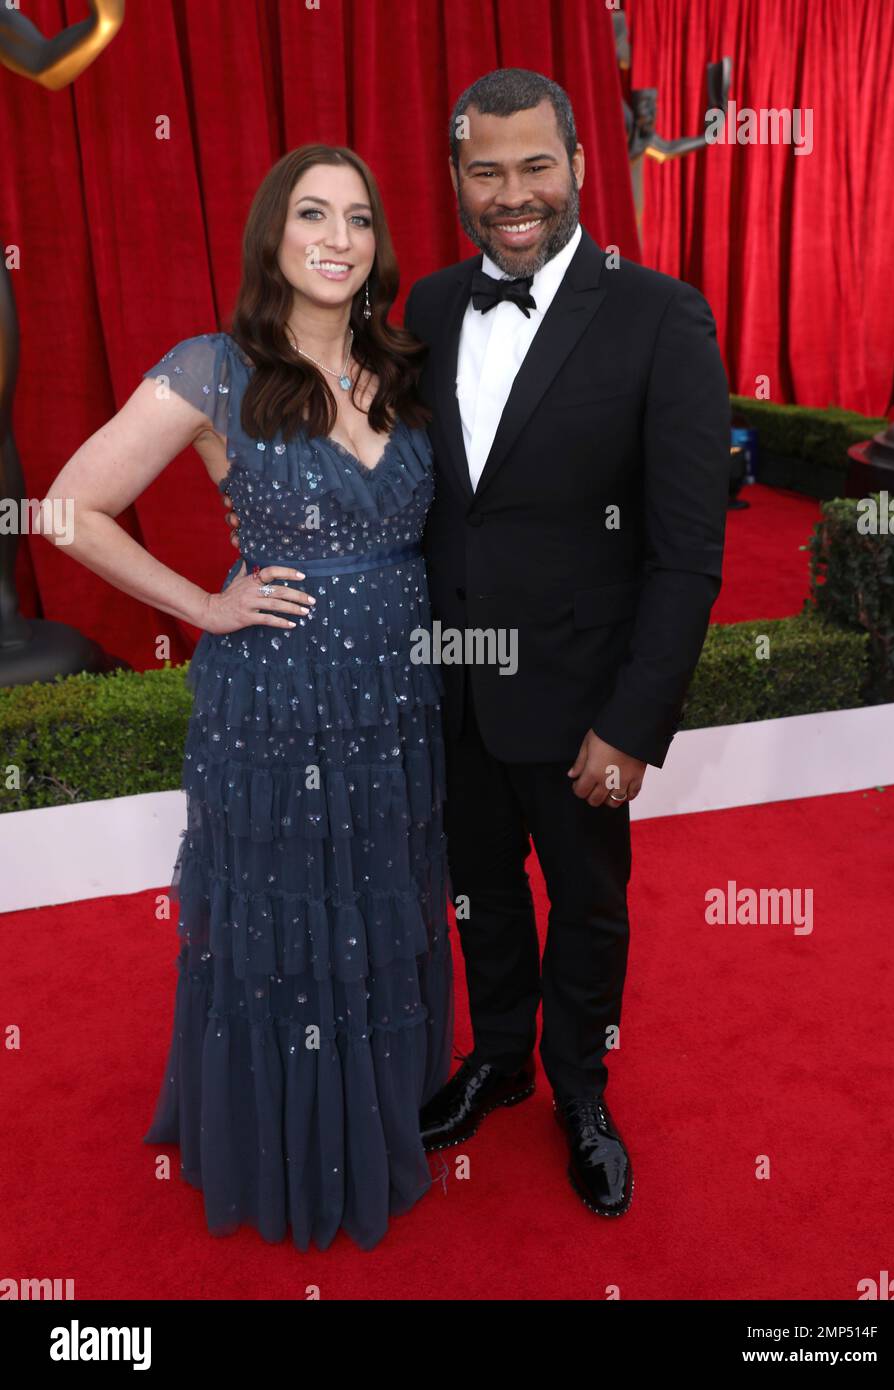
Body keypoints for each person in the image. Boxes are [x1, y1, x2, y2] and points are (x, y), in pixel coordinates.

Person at [225, 69, 732, 1221]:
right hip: (442, 693)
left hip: (579, 697)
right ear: (456, 180)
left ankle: (582, 1093)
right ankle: (498, 1061)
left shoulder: (662, 315)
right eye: (487, 170)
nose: (514, 194)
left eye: (535, 166)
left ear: (579, 169)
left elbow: (688, 555)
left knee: (589, 908)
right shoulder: (433, 308)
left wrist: (633, 721)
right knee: (478, 894)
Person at [38, 144, 452, 1252]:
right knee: (291, 914)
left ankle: (379, 1110)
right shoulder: (215, 369)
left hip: (399, 700)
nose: (337, 237)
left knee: (379, 893)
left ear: (377, 245)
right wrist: (202, 606)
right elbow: (68, 509)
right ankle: (291, 1140)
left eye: (358, 218)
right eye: (311, 214)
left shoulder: (404, 363)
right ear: (273, 236)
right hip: (276, 704)